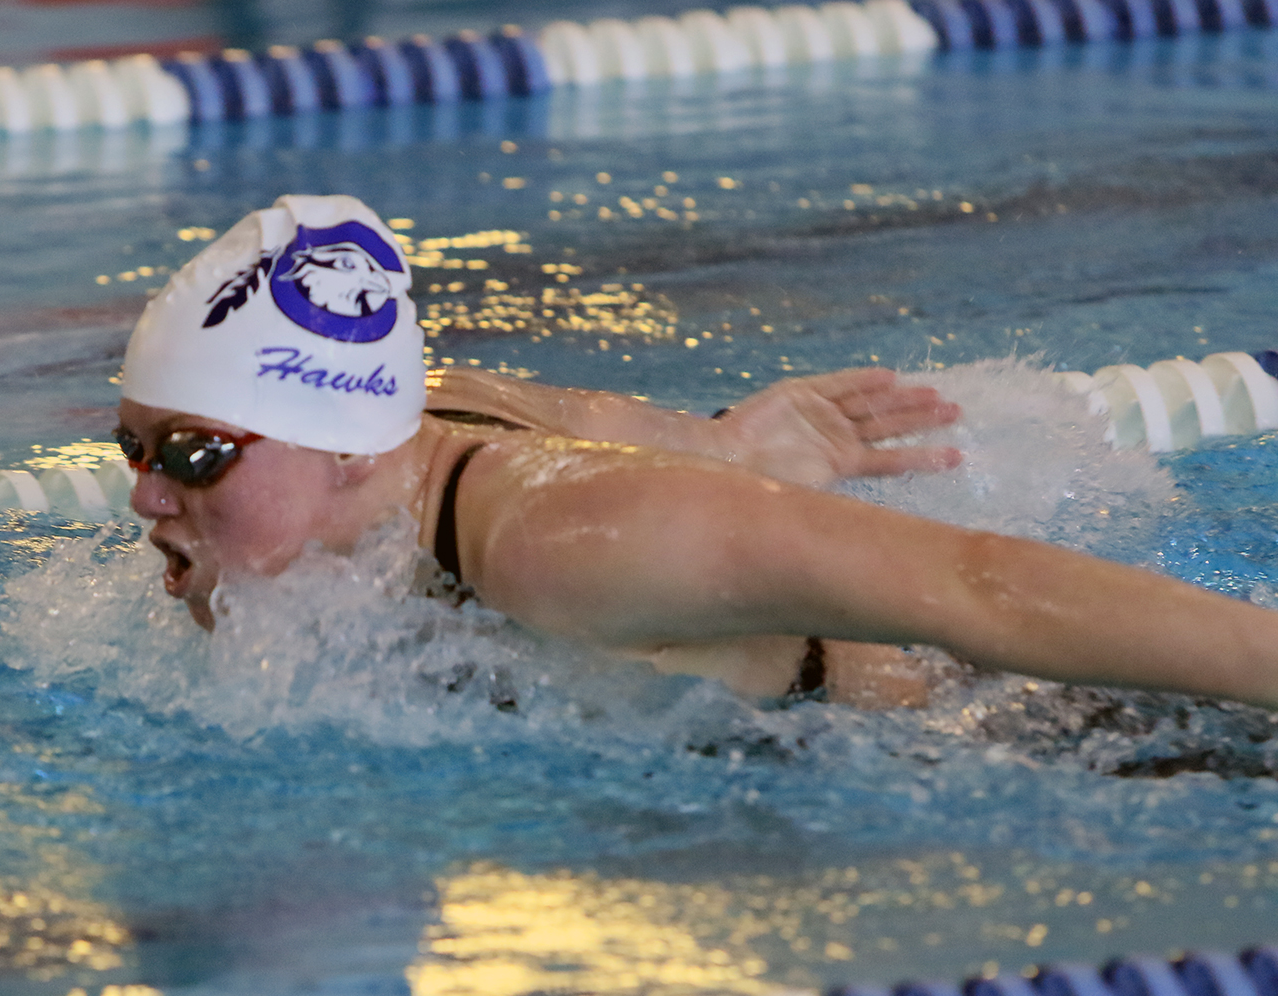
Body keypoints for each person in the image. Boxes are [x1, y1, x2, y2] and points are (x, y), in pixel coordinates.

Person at [113, 194, 1278, 709]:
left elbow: (977, 587)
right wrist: (724, 447)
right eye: (131, 449)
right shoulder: (431, 421)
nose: (146, 496)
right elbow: (594, 427)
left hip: (1015, 740)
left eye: (198, 456)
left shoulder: (564, 543)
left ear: (353, 450)